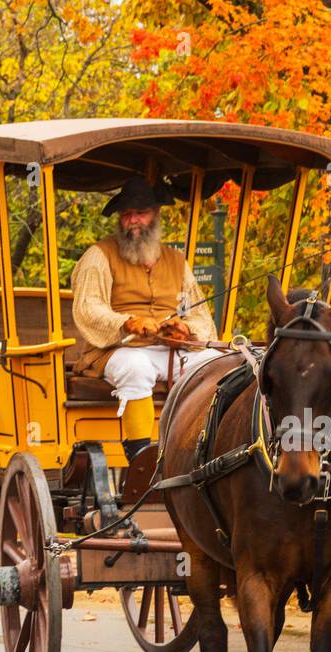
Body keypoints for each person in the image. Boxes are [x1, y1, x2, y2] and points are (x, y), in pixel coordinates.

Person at [70, 176, 219, 460]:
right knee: (136, 367)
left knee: (217, 365)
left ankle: (200, 452)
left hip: (172, 352)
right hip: (118, 350)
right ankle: (141, 461)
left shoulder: (177, 261)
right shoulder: (98, 256)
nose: (134, 220)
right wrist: (126, 322)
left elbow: (199, 313)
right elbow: (88, 307)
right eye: (127, 214)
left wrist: (186, 330)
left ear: (156, 215)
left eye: (141, 212)